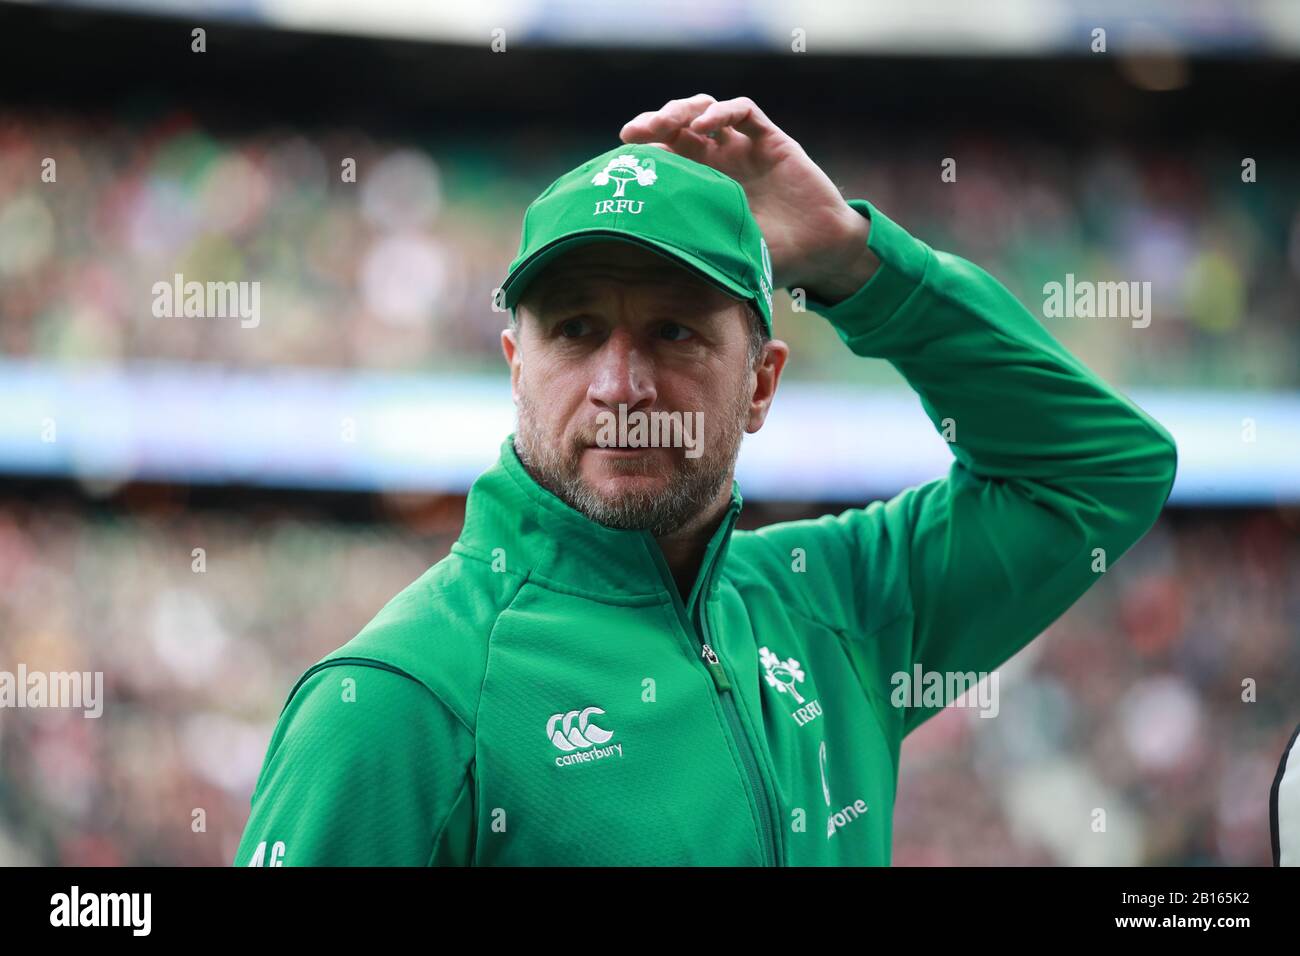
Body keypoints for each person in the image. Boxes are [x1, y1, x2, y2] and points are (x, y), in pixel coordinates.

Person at [234, 94, 1177, 866]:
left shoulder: (836, 608)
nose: (620, 385)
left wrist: (856, 262)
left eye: (675, 331)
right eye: (575, 330)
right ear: (517, 364)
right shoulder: (399, 701)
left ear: (761, 382)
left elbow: (1099, 472)